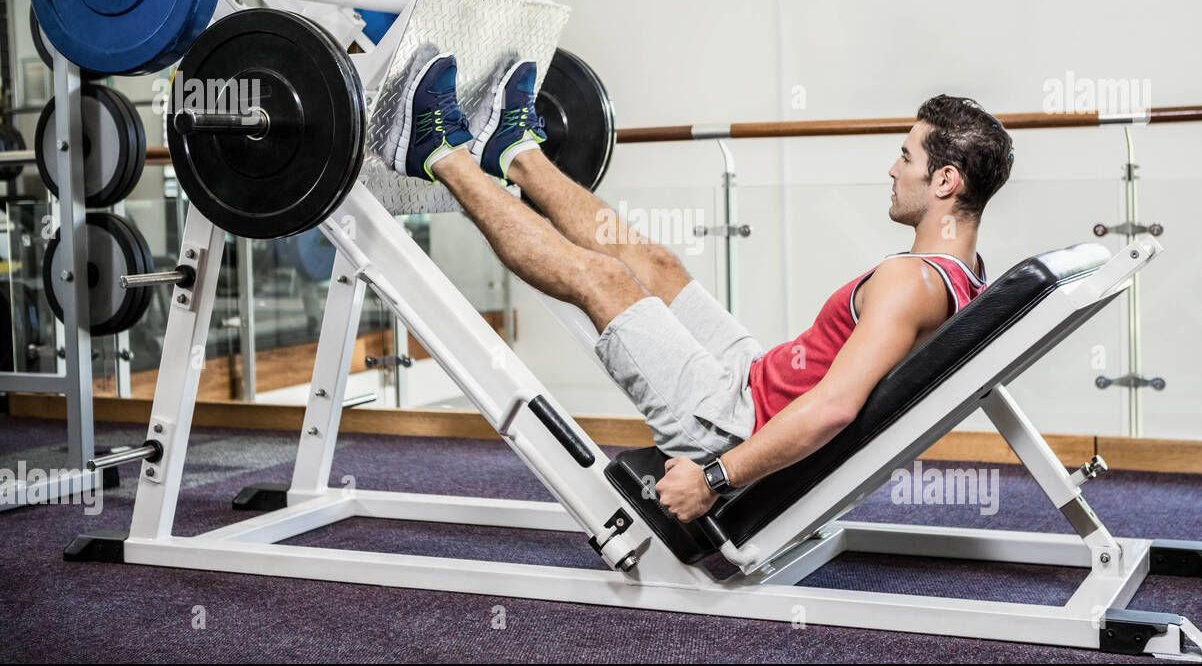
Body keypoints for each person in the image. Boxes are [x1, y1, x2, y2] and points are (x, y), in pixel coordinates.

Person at [390, 53, 1014, 522]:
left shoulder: (909, 284)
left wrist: (714, 477)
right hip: (752, 378)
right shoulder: (967, 276)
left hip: (731, 424)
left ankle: (440, 152)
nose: (891, 167)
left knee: (605, 278)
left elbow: (833, 409)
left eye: (905, 157)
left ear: (945, 182)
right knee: (653, 262)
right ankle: (516, 152)